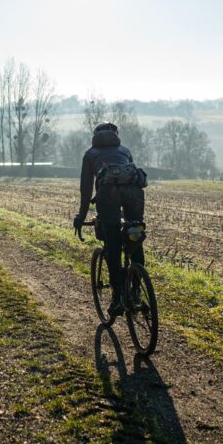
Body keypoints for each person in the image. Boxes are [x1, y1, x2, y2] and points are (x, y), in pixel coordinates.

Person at [72, 122, 146, 318]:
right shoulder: (125, 150)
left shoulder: (90, 154)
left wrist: (81, 217)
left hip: (107, 194)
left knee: (112, 244)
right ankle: (137, 289)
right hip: (135, 193)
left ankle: (117, 297)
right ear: (116, 135)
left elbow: (86, 191)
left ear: (95, 136)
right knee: (135, 234)